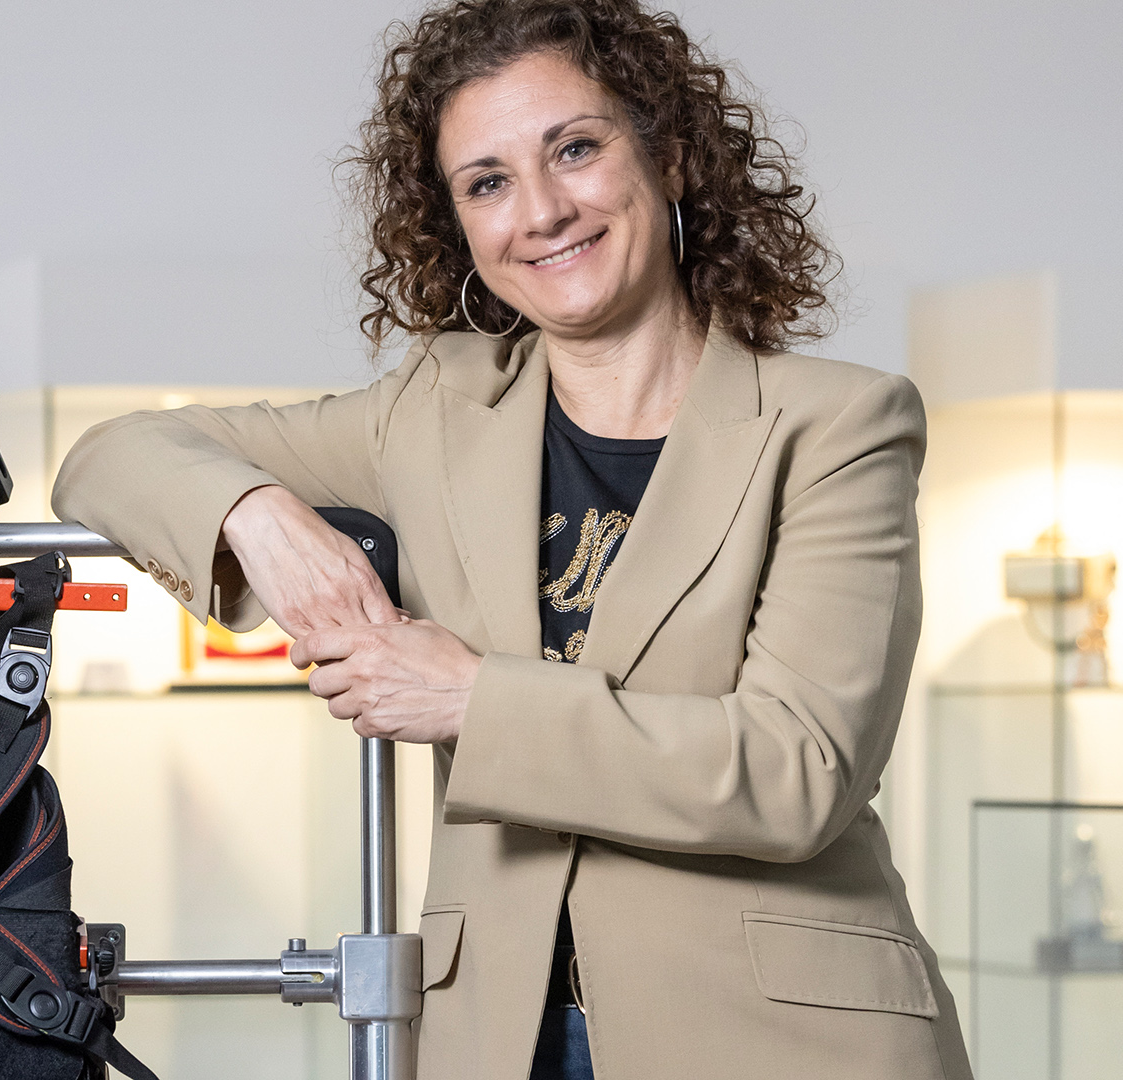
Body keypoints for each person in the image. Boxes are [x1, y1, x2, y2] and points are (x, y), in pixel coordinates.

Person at [51, 1, 972, 1078]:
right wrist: (262, 519)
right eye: (487, 182)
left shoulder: (840, 425)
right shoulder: (434, 411)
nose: (540, 211)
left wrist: (468, 699)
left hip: (785, 1038)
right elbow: (109, 457)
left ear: (669, 158)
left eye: (574, 150)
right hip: (498, 1033)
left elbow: (795, 769)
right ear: (457, 223)